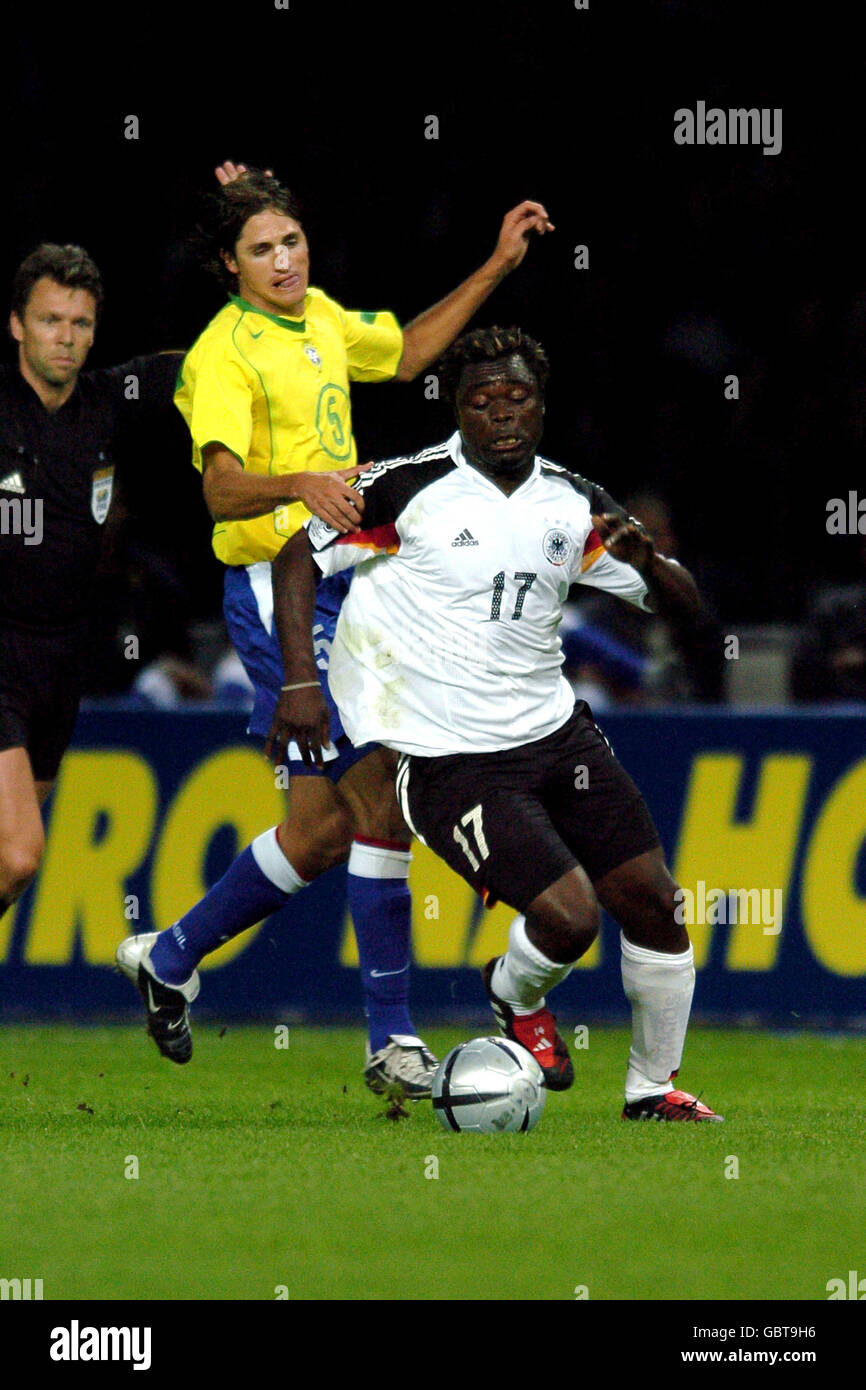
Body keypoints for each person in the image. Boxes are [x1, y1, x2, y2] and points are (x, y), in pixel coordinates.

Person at [116, 169, 554, 1099]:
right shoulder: (222, 354)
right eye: (264, 250)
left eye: (293, 242)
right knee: (386, 796)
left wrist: (495, 266)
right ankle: (392, 1041)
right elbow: (221, 490)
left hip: (349, 588)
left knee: (316, 833)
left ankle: (171, 956)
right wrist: (302, 484)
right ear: (228, 266)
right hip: (277, 596)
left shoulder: (316, 315)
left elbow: (403, 355)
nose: (284, 261)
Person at [269, 325, 723, 1121]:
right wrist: (301, 681)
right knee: (570, 917)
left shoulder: (574, 502)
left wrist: (649, 561)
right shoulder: (407, 488)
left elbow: (687, 610)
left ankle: (652, 1092)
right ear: (457, 408)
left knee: (654, 902)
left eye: (516, 398)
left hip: (557, 736)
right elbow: (296, 557)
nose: (501, 414)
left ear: (541, 406)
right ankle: (513, 995)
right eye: (482, 401)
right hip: (451, 758)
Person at [0, 244, 181, 925]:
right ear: (18, 324)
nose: (65, 338)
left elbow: (216, 361)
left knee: (6, 862)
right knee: (20, 855)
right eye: (50, 321)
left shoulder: (111, 401)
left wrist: (242, 256)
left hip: (60, 662)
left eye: (79, 323)